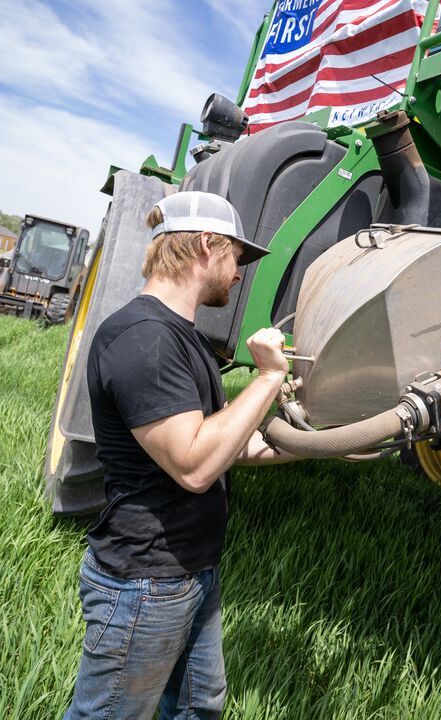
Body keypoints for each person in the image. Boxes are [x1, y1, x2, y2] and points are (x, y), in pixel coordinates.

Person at [65, 191, 298, 719]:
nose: (239, 274)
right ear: (205, 244)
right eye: (237, 256)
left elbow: (224, 446)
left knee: (199, 707)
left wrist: (316, 444)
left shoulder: (183, 337)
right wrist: (267, 378)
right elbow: (194, 465)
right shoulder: (142, 339)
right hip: (145, 583)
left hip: (193, 571)